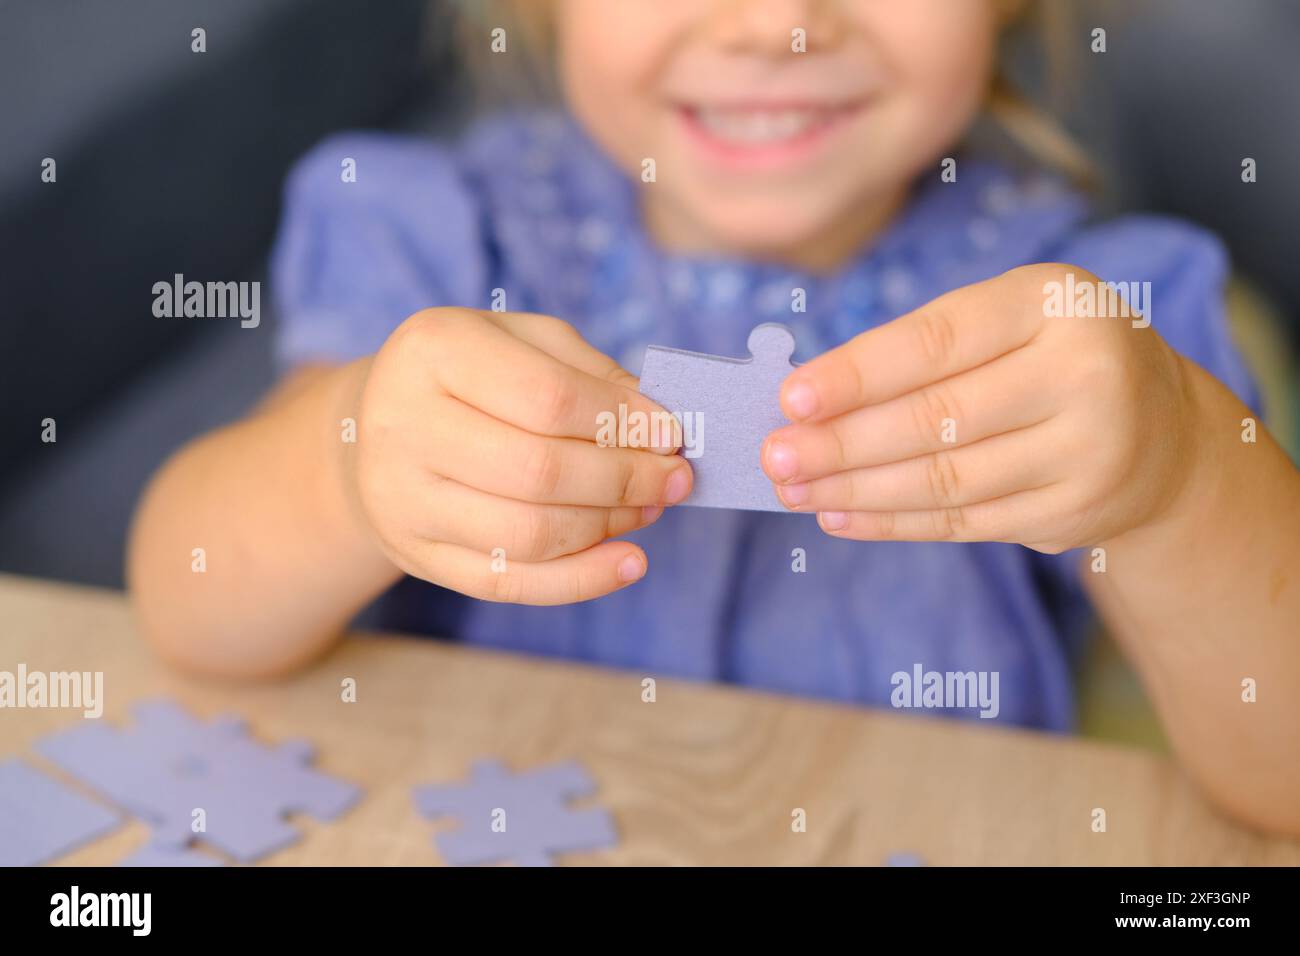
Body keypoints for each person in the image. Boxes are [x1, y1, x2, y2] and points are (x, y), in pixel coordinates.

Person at [128, 0, 1300, 834]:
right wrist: (345, 466)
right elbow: (189, 605)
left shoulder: (1102, 318)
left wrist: (1184, 476)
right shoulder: (431, 240)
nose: (775, 24)